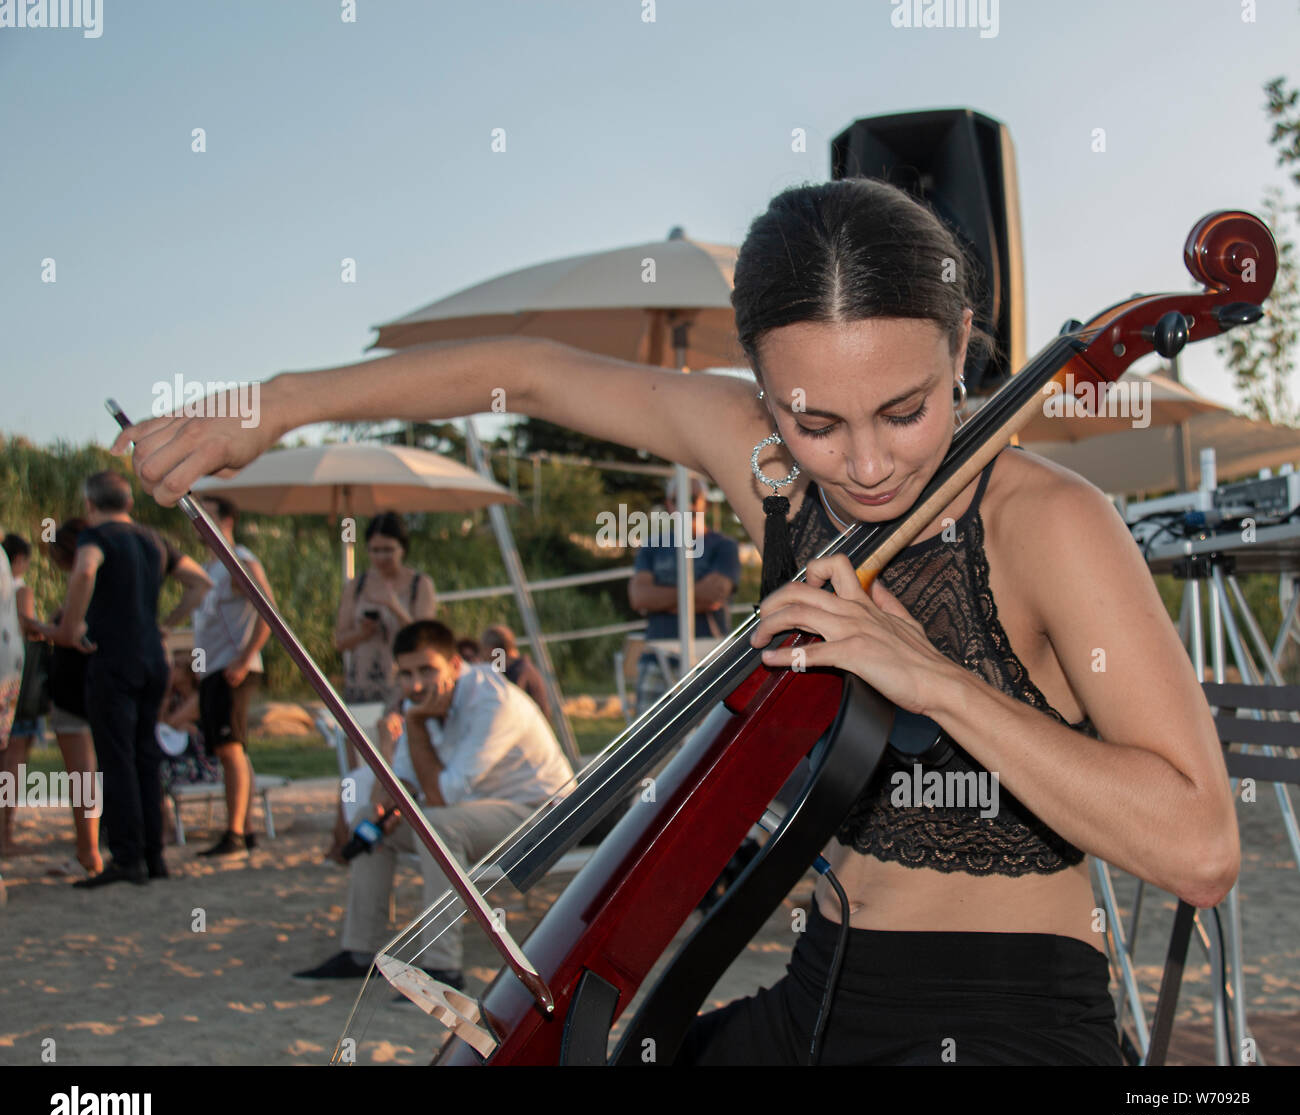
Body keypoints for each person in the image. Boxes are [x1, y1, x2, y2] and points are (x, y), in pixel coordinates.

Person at [117, 177, 1240, 1065]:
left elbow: (1198, 848)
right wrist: (276, 404)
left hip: (1003, 1021)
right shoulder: (762, 466)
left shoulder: (1050, 521)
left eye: (905, 409)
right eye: (812, 420)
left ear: (961, 353)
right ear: (758, 389)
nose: (863, 461)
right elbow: (533, 373)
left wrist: (936, 677)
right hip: (819, 988)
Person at [292, 619, 574, 989]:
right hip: (478, 810)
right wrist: (381, 810)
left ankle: (443, 969)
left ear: (455, 664)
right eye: (406, 674)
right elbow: (405, 782)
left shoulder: (492, 702)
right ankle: (359, 951)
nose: (416, 684)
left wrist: (416, 721)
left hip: (546, 814)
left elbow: (443, 796)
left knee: (438, 826)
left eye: (427, 669)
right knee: (370, 818)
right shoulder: (423, 702)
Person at [48, 471, 213, 888]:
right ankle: (155, 857)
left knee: (116, 757)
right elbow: (199, 582)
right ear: (129, 504)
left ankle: (127, 857)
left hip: (113, 658)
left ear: (89, 504)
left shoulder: (95, 538)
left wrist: (70, 628)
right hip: (152, 658)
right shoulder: (153, 540)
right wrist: (166, 623)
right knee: (146, 755)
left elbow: (85, 573)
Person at [324, 511, 438, 862]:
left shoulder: (420, 584)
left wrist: (394, 607)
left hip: (400, 686)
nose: (381, 557)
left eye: (388, 550)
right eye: (374, 550)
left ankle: (378, 829)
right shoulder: (356, 586)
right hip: (361, 684)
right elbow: (339, 640)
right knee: (358, 767)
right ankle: (346, 836)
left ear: (402, 548)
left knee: (392, 763)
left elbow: (427, 639)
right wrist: (362, 632)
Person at [191, 495, 275, 858]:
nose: (195, 518)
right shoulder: (211, 566)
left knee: (230, 750)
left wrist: (243, 658)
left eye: (205, 513)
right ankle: (248, 828)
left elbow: (268, 610)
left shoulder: (239, 559)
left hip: (233, 668)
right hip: (214, 668)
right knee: (232, 750)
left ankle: (235, 832)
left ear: (226, 520)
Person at [26, 519, 103, 875]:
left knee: (82, 775)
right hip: (100, 687)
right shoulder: (111, 585)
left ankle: (87, 850)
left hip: (73, 689)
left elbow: (72, 634)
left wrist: (40, 628)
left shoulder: (82, 584)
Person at [628, 476, 741, 714]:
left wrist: (659, 601)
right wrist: (693, 598)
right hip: (657, 655)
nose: (685, 506)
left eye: (691, 499)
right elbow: (639, 597)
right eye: (677, 500)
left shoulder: (724, 546)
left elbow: (715, 594)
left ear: (705, 505)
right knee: (648, 735)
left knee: (711, 739)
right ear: (668, 505)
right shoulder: (651, 547)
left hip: (709, 655)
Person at [0, 534, 46, 857]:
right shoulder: (20, 589)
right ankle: (5, 834)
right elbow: (30, 627)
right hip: (17, 681)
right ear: (19, 560)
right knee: (13, 762)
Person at [479, 624, 551, 723]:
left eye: (484, 651)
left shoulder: (520, 673)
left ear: (493, 651)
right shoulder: (515, 670)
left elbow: (504, 711)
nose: (483, 657)